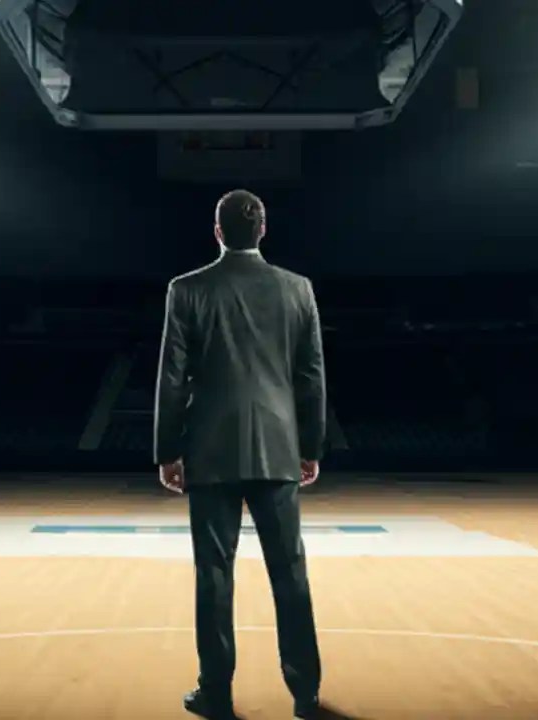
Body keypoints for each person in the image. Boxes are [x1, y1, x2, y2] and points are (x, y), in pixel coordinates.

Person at [154, 189, 328, 720]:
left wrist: (168, 450)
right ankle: (305, 692)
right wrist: (310, 447)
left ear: (217, 232)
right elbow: (311, 376)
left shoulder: (186, 289)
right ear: (263, 230)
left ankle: (216, 693)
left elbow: (172, 377)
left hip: (210, 452)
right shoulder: (298, 289)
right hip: (278, 448)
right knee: (290, 572)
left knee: (213, 575)